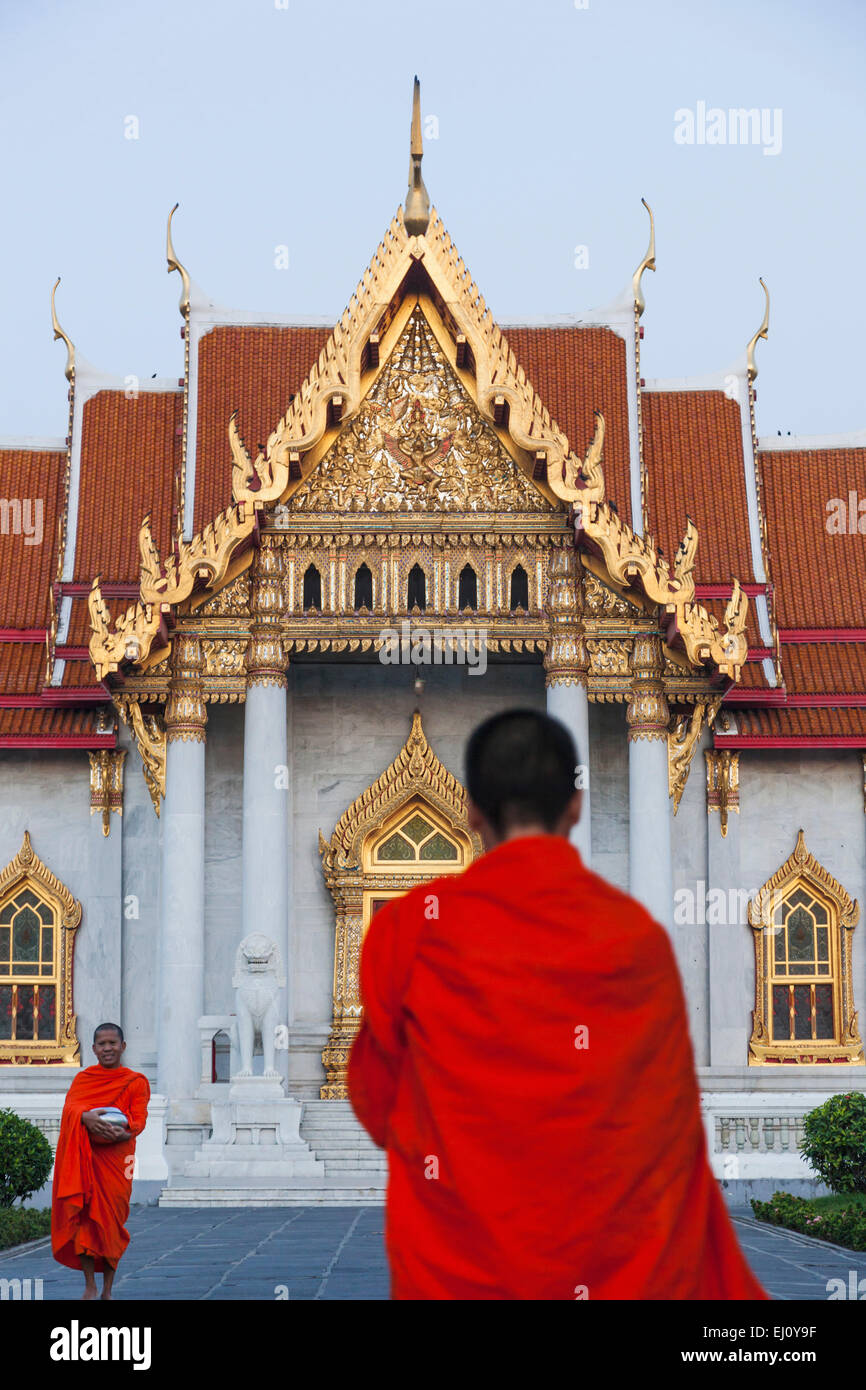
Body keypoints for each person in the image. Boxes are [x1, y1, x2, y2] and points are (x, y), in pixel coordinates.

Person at [348, 708, 767, 1300]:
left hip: (456, 1269)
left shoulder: (410, 930)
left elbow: (375, 1099)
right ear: (576, 806)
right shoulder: (635, 939)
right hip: (617, 1273)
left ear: (470, 810)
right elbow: (667, 1131)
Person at [51, 1023, 150, 1300]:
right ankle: (90, 1286)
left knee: (112, 1222)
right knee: (85, 1220)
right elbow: (71, 1108)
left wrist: (123, 1130)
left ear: (123, 1046)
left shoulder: (136, 1081)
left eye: (112, 1043)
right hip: (87, 1157)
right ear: (94, 1049)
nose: (108, 1048)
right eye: (102, 1044)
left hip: (119, 1160)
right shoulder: (83, 1080)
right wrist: (85, 1116)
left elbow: (139, 1119)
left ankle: (107, 1289)